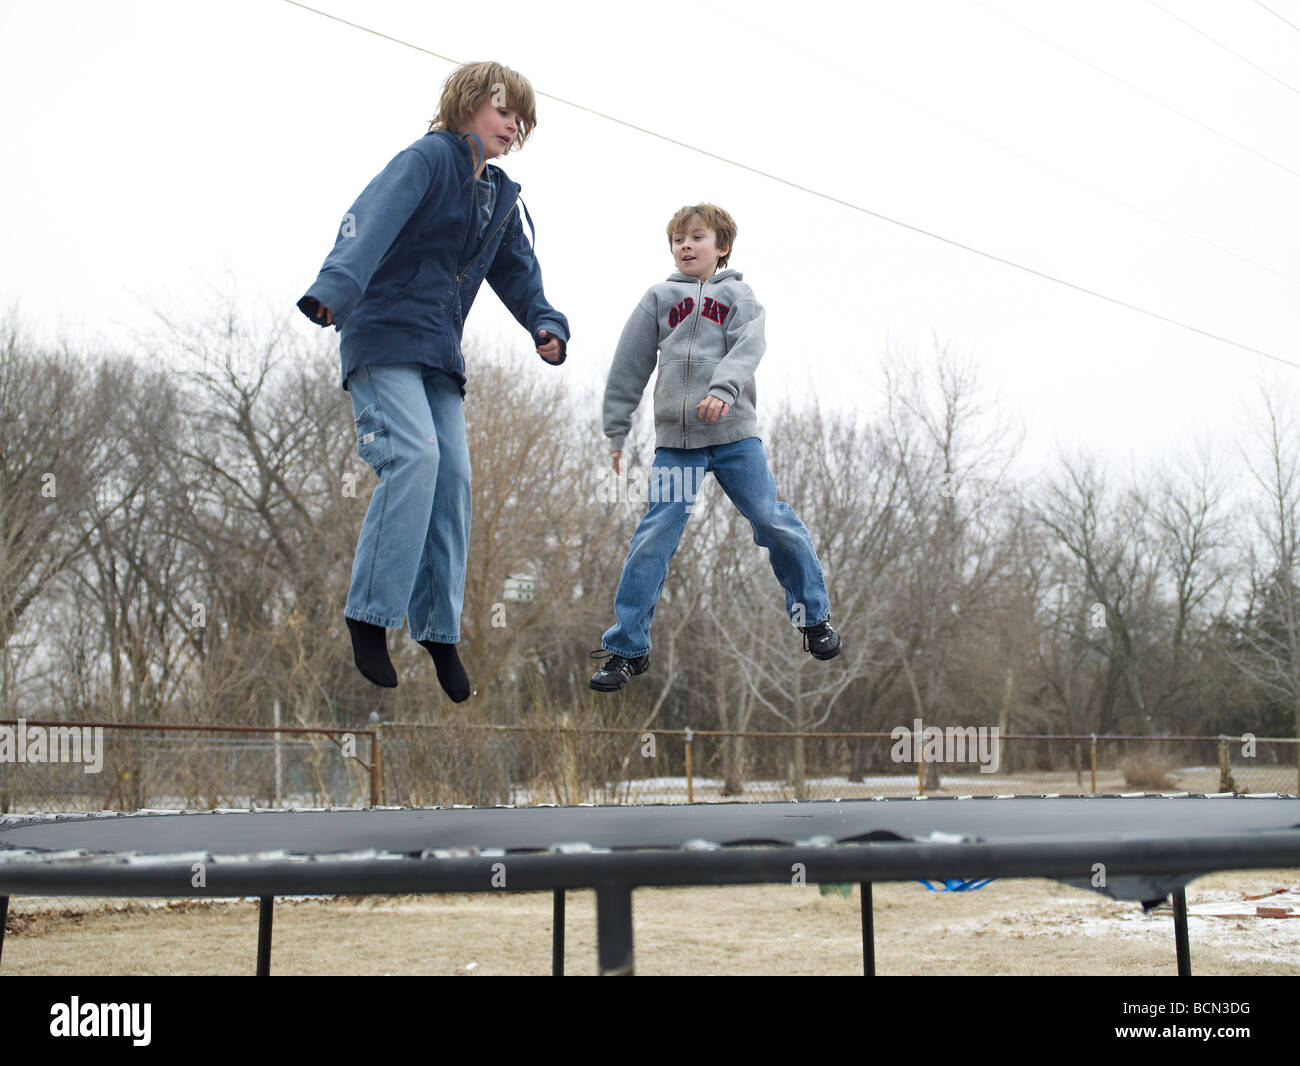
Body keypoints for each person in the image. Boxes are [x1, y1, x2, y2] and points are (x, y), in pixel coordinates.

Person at [297, 61, 569, 701]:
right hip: (385, 334)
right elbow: (371, 218)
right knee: (413, 458)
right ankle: (369, 616)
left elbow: (518, 271)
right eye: (504, 111)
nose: (513, 126)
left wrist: (544, 322)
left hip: (440, 353)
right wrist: (335, 286)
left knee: (453, 479)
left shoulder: (497, 195)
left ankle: (438, 629)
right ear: (468, 104)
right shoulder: (426, 159)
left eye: (520, 120)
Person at [590, 204, 839, 692]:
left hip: (733, 438)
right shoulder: (658, 298)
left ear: (720, 246)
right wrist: (616, 431)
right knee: (654, 537)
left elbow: (751, 344)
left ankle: (814, 618)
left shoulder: (738, 295)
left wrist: (723, 389)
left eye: (696, 237)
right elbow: (629, 364)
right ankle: (626, 649)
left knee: (770, 518)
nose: (685, 246)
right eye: (677, 240)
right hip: (678, 444)